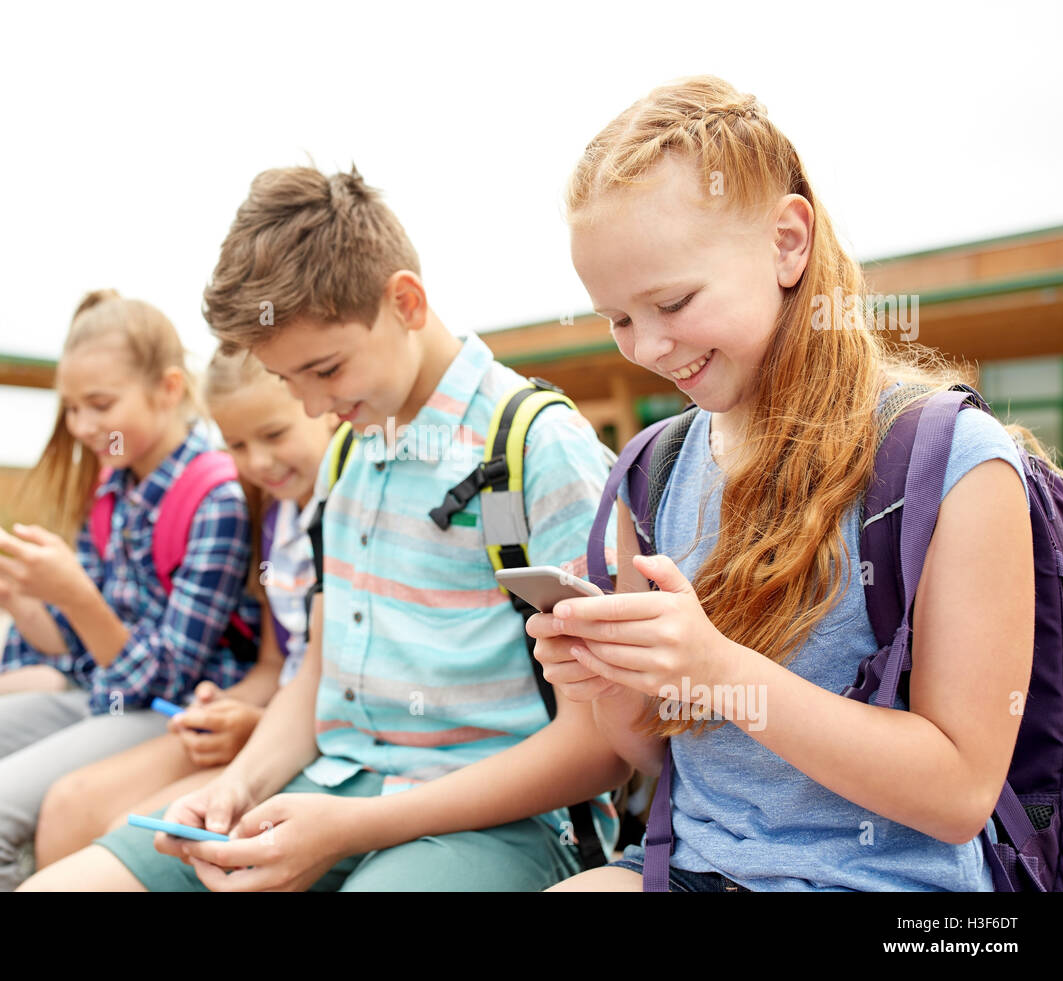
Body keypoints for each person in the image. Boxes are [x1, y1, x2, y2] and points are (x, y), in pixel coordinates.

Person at [36, 164, 630, 892]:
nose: (314, 406)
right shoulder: (348, 452)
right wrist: (239, 786)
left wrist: (349, 829)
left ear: (405, 301)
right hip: (334, 786)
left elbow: (602, 744)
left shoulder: (536, 446)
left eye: (326, 368)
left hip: (501, 820)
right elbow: (316, 670)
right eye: (289, 382)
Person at [535, 76, 1038, 892]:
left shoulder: (949, 459)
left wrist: (719, 669)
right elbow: (655, 757)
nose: (650, 347)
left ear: (787, 241)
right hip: (690, 871)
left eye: (672, 300)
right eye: (619, 319)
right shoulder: (651, 475)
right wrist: (618, 685)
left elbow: (959, 792)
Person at [0, 289, 261, 891]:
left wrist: (77, 596)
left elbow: (164, 677)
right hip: (96, 698)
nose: (83, 427)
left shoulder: (215, 496)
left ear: (169, 388)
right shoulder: (112, 489)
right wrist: (14, 593)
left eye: (100, 405)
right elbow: (70, 652)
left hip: (169, 715)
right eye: (71, 409)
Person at [22, 349, 336, 877]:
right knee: (67, 806)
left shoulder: (341, 514)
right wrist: (224, 707)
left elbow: (332, 682)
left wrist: (257, 723)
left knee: (127, 829)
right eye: (236, 444)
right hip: (268, 718)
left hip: (314, 732)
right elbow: (272, 664)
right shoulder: (270, 513)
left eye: (275, 434)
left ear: (326, 407)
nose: (256, 462)